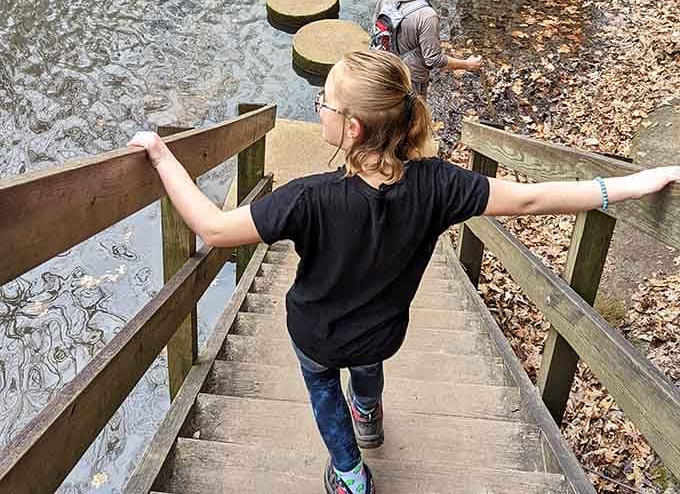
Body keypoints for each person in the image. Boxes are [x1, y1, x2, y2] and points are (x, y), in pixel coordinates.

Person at [129, 51, 679, 494]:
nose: (318, 107)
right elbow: (532, 200)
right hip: (382, 333)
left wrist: (161, 156)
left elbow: (215, 229)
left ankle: (349, 475)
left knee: (324, 392)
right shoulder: (439, 184)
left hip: (316, 335)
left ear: (353, 126)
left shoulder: (308, 199)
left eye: (324, 102)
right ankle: (368, 412)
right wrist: (625, 185)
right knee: (365, 368)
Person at [371, 0, 482, 98]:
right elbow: (433, 59)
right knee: (415, 113)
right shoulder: (428, 15)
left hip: (384, 63)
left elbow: (376, 20)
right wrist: (467, 64)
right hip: (411, 76)